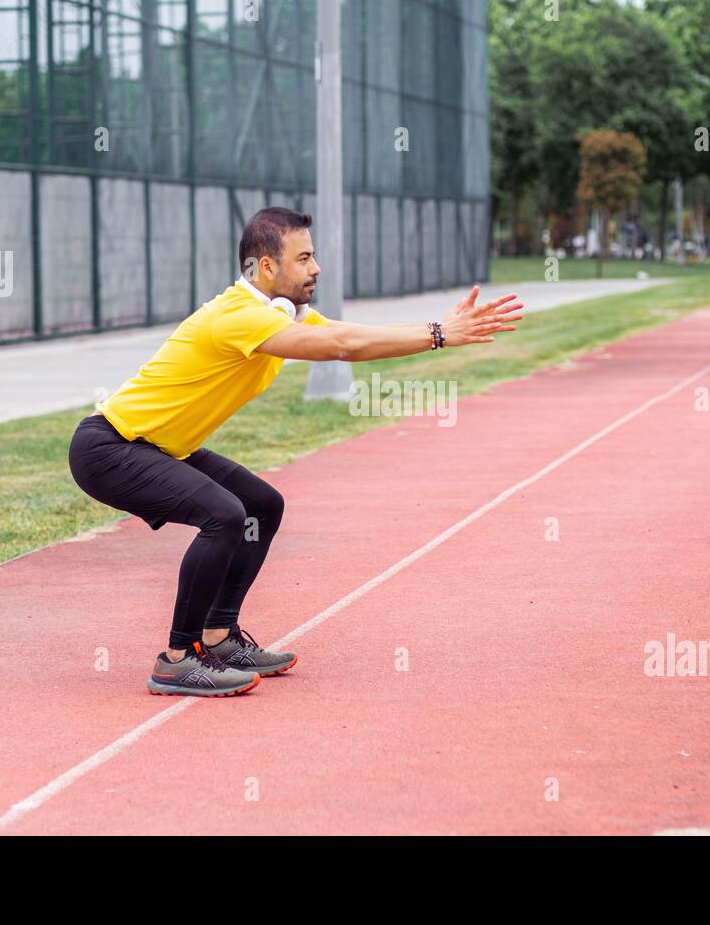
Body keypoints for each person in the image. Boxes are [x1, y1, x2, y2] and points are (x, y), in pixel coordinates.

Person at [67, 206, 523, 697]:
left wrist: (434, 329)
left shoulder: (282, 314)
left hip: (161, 445)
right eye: (303, 257)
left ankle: (219, 640)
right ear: (266, 267)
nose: (316, 268)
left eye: (314, 256)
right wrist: (437, 335)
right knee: (224, 514)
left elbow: (350, 336)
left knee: (262, 507)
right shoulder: (239, 316)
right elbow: (342, 347)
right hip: (110, 448)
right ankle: (178, 658)